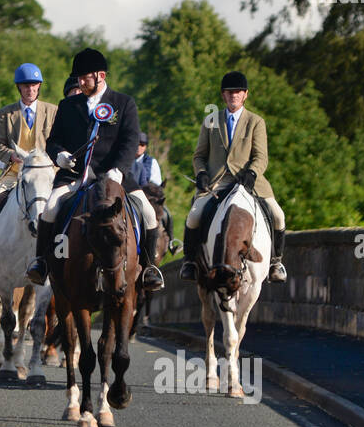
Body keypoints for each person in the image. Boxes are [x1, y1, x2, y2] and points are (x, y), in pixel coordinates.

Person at [25, 48, 164, 291]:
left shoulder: (124, 103)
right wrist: (60, 156)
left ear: (101, 75)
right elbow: (53, 140)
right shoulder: (68, 105)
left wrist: (118, 169)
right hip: (75, 174)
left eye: (85, 77)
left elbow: (130, 141)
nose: (80, 81)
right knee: (49, 208)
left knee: (148, 213)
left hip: (113, 175)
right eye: (78, 78)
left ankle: (150, 268)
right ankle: (42, 262)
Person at [180, 71, 287, 283]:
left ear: (245, 94)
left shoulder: (256, 122)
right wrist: (201, 173)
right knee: (194, 215)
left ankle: (276, 262)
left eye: (237, 92)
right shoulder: (211, 120)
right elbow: (199, 156)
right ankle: (190, 262)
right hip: (218, 183)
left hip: (249, 182)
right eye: (229, 92)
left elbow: (261, 156)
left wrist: (252, 172)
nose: (233, 96)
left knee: (278, 215)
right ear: (223, 95)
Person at [0, 62, 58, 275]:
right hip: (15, 171)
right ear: (18, 88)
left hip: (44, 173)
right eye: (25, 86)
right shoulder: (6, 113)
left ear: (39, 86)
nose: (30, 89)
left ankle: (62, 254)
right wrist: (11, 155)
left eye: (33, 85)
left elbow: (58, 143)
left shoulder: (53, 111)